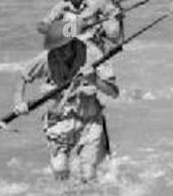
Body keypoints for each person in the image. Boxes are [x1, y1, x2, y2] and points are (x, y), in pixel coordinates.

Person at [12, 18, 118, 183]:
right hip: (59, 119)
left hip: (90, 118)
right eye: (55, 48)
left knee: (88, 175)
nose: (58, 53)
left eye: (62, 48)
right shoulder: (48, 57)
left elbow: (113, 92)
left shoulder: (93, 53)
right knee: (60, 171)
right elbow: (23, 75)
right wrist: (19, 101)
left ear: (72, 42)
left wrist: (94, 79)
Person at [42, 0, 110, 46]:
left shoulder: (93, 0)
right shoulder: (61, 6)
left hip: (93, 42)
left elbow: (112, 14)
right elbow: (45, 24)